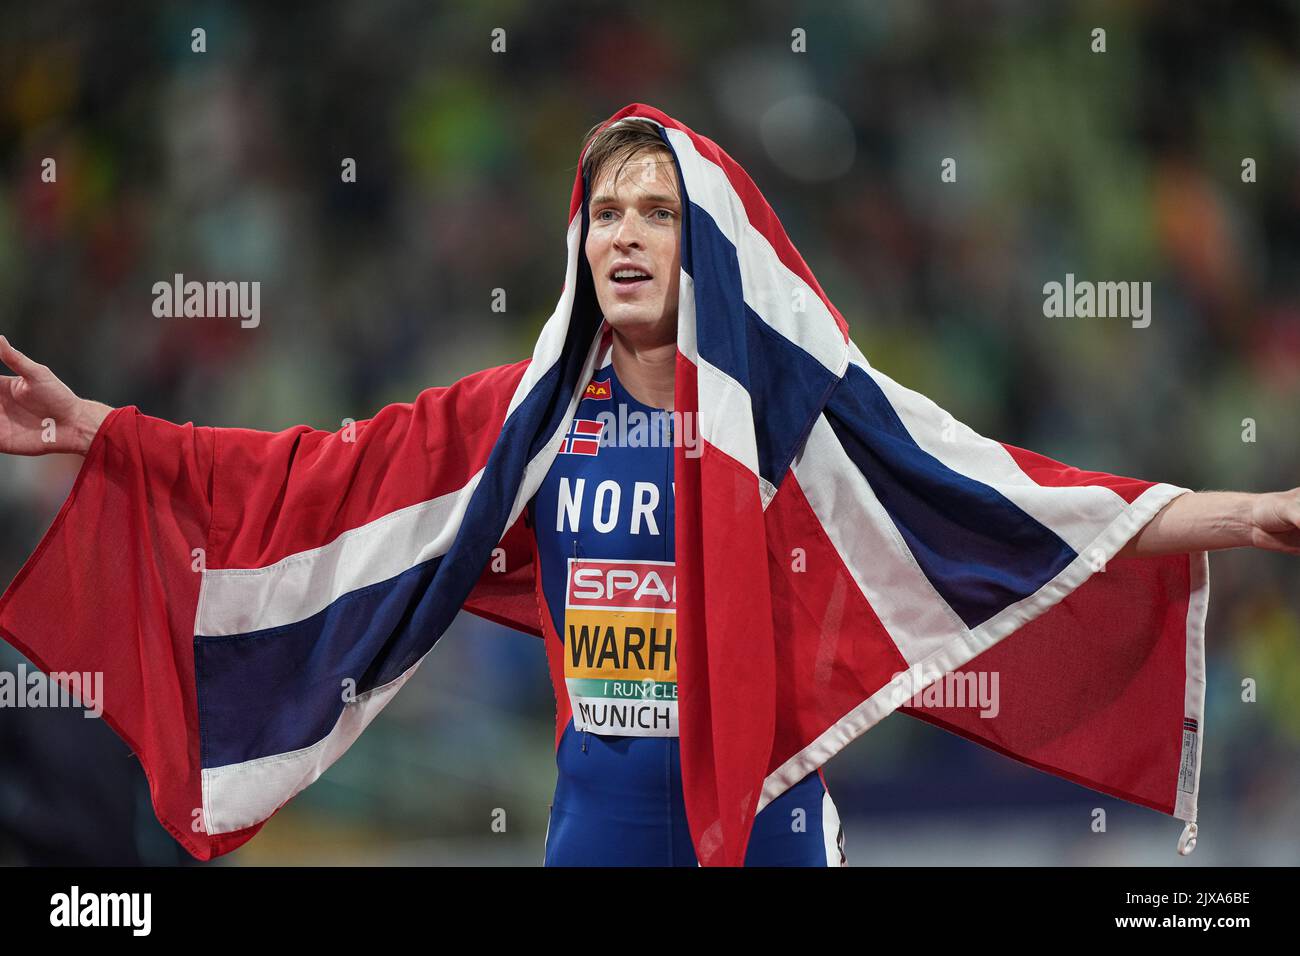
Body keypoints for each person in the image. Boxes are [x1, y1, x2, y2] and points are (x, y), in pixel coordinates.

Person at [2, 107, 1298, 866]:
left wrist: (1240, 513)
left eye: (656, 211)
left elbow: (1005, 495)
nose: (624, 232)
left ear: (707, 239)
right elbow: (313, 479)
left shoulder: (788, 413)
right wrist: (101, 426)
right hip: (598, 835)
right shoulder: (525, 418)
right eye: (605, 210)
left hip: (768, 836)